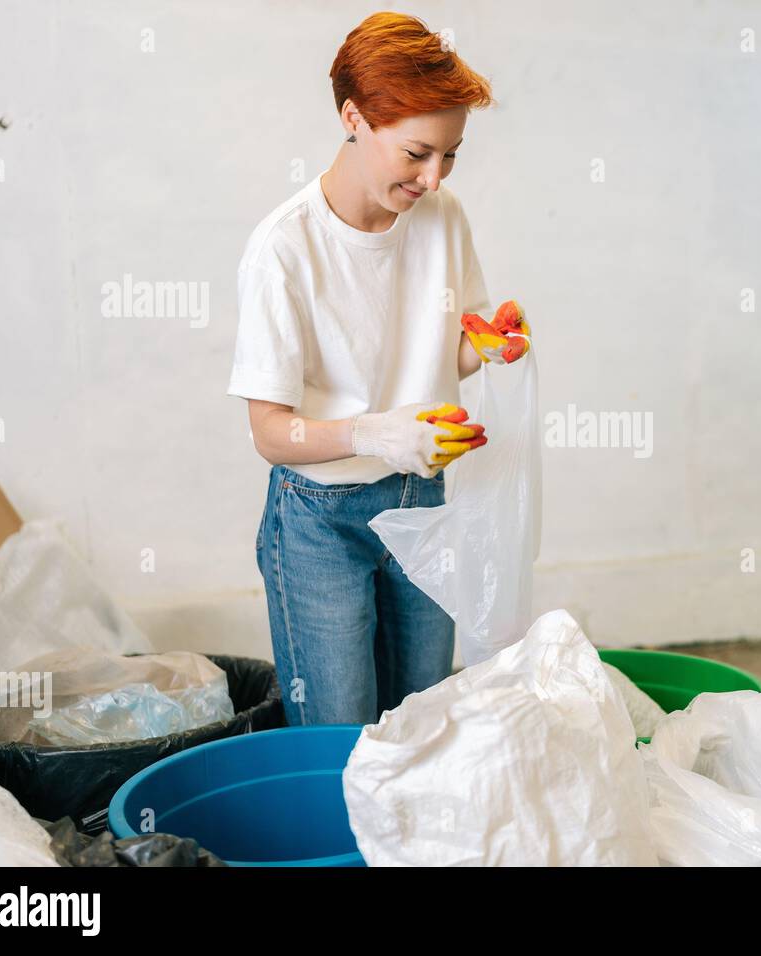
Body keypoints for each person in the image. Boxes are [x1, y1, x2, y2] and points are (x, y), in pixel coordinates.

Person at [226, 12, 523, 725]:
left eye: (450, 155)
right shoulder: (284, 250)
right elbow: (271, 433)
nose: (433, 177)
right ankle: (343, 843)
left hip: (422, 496)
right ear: (353, 117)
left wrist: (486, 346)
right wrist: (377, 435)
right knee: (340, 729)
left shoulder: (443, 217)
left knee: (421, 714)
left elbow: (439, 352)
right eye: (417, 152)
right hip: (319, 521)